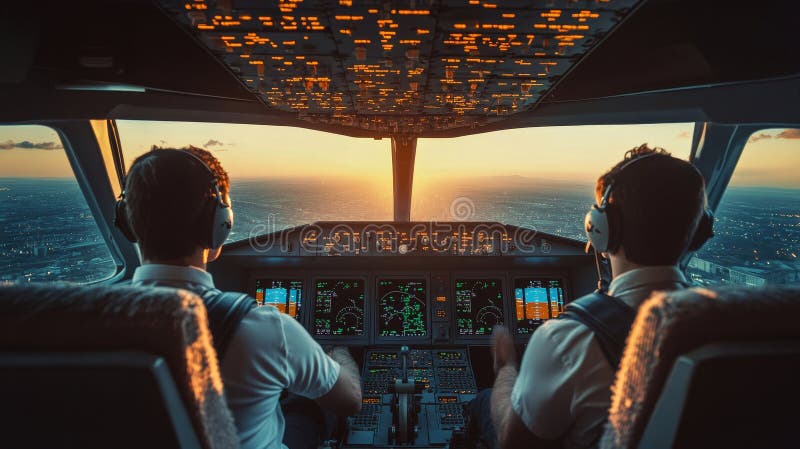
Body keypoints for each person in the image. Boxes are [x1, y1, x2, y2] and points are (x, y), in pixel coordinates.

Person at [116, 146, 362, 449]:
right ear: (218, 223)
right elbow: (350, 400)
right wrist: (340, 353)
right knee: (305, 403)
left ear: (127, 220)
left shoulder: (87, 323)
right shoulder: (262, 328)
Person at [469, 144, 713, 449]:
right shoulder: (731, 326)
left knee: (484, 400)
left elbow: (512, 441)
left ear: (601, 229)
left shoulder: (568, 339)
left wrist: (506, 368)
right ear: (698, 231)